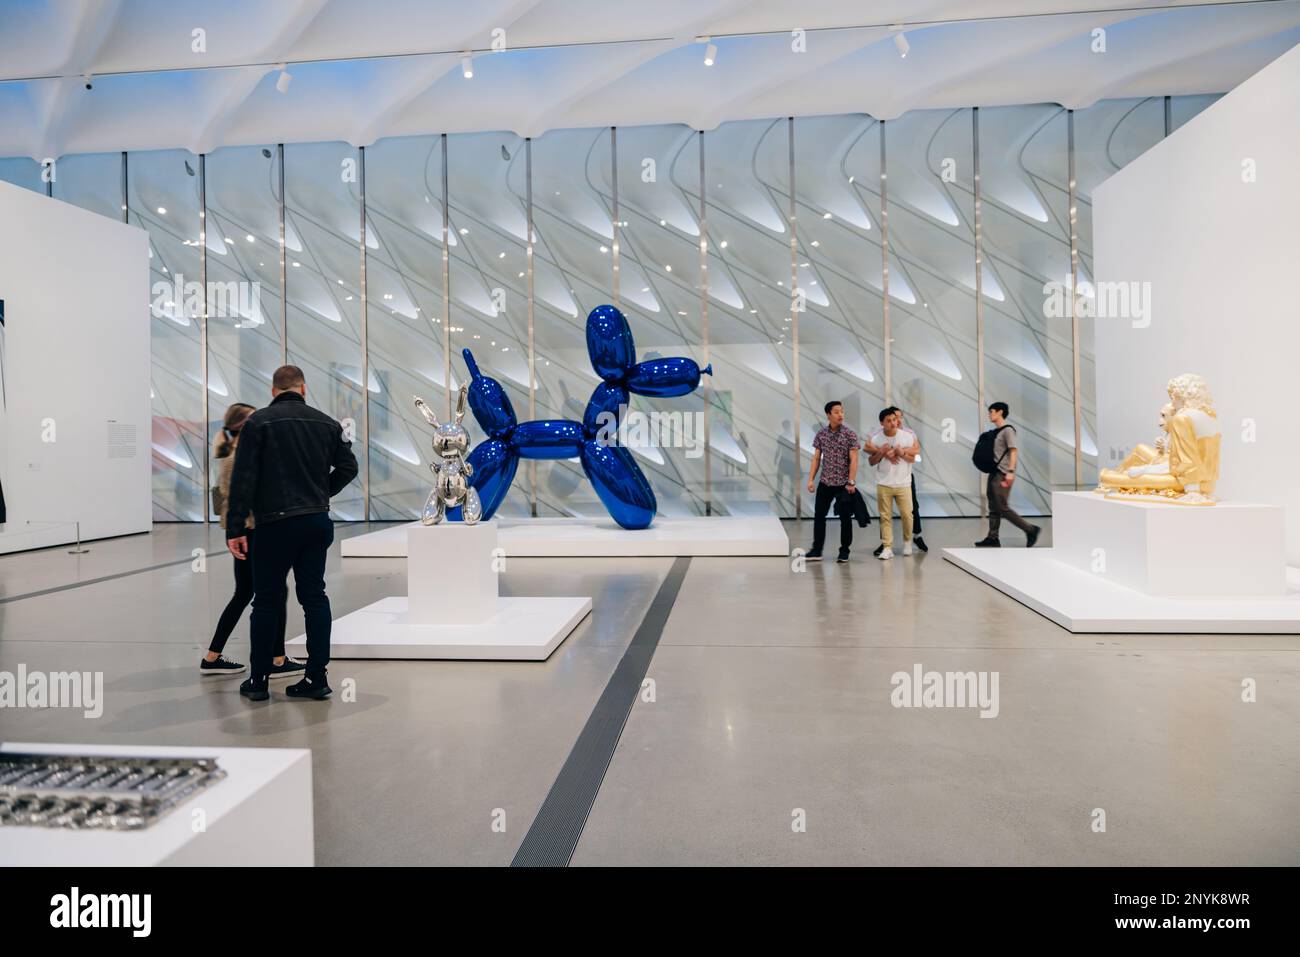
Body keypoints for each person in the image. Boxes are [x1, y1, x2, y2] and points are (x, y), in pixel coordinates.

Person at [226, 365, 359, 701]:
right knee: (314, 598)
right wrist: (321, 494)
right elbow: (349, 467)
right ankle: (316, 678)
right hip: (316, 522)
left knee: (266, 601)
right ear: (303, 388)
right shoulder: (327, 423)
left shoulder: (258, 423)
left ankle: (258, 681)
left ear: (273, 391)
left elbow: (243, 478)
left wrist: (236, 526)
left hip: (273, 524)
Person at [201, 404, 303, 678]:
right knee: (274, 592)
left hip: (242, 532)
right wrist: (241, 531)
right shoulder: (239, 457)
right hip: (251, 531)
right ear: (244, 425)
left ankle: (213, 656)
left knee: (246, 592)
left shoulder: (236, 453)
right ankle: (277, 660)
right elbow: (237, 499)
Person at [974, 402, 1041, 548]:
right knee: (993, 506)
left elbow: (1013, 451)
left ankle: (1031, 529)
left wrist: (1011, 472)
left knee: (1002, 506)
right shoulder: (996, 432)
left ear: (1000, 412)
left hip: (1003, 474)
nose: (989, 414)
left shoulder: (1008, 431)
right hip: (994, 472)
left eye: (991, 411)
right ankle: (993, 538)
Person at [864, 407, 927, 554]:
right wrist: (884, 453)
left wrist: (900, 452)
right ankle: (886, 545)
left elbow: (916, 451)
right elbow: (868, 449)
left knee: (909, 511)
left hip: (904, 480)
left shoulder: (908, 434)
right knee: (885, 515)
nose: (895, 422)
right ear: (883, 422)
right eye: (891, 419)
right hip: (884, 481)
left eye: (897, 418)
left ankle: (913, 538)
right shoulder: (877, 436)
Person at [805, 400, 859, 563]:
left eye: (842, 411)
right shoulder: (821, 434)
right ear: (828, 415)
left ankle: (844, 551)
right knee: (819, 516)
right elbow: (816, 458)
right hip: (825, 482)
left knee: (845, 518)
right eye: (836, 412)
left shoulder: (850, 434)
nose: (840, 414)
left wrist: (851, 481)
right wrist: (810, 480)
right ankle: (817, 550)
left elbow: (854, 459)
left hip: (843, 484)